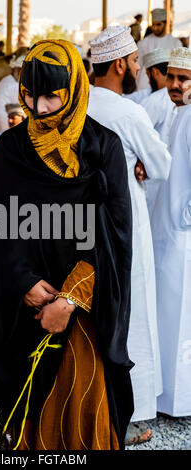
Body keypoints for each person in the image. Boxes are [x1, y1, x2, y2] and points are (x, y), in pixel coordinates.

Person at [0, 39, 134, 450]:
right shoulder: (11, 150)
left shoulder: (103, 149)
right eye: (29, 94)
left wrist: (69, 301)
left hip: (83, 313)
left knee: (81, 417)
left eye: (51, 96)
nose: (39, 108)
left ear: (74, 89)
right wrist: (21, 282)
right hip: (22, 311)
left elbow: (115, 236)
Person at [87, 25, 172, 445]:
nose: (138, 67)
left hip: (79, 224)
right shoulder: (128, 112)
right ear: (120, 63)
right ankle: (129, 416)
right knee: (131, 310)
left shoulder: (74, 105)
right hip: (124, 224)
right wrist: (141, 162)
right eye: (136, 60)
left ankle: (88, 405)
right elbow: (162, 165)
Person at [151, 47, 191, 419]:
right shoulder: (175, 114)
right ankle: (168, 398)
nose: (175, 84)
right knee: (168, 314)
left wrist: (184, 219)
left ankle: (181, 402)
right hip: (168, 234)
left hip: (183, 238)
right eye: (171, 76)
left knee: (182, 319)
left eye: (183, 78)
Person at [140, 49, 176, 217]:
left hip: (152, 175)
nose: (149, 81)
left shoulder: (154, 101)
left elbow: (139, 138)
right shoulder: (178, 98)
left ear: (154, 72)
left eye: (148, 76)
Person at [137, 8, 181, 90]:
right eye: (153, 24)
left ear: (165, 23)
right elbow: (138, 65)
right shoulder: (143, 43)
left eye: (158, 24)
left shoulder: (175, 43)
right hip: (145, 85)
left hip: (167, 86)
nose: (154, 28)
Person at [0, 54, 26, 131]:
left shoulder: (6, 79)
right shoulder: (13, 85)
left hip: (3, 119)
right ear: (16, 70)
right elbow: (21, 108)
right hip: (8, 121)